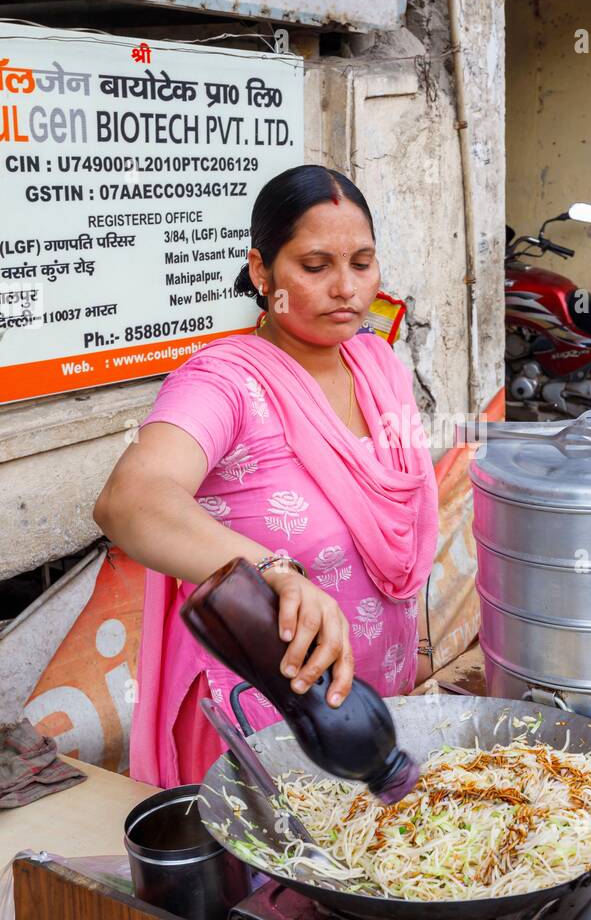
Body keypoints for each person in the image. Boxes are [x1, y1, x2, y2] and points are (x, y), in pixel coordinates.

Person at [93, 164, 439, 787]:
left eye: (362, 263)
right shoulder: (223, 383)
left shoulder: (378, 364)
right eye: (314, 266)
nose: (345, 288)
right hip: (268, 709)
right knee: (277, 876)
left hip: (373, 695)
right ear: (261, 272)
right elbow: (130, 500)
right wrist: (276, 570)